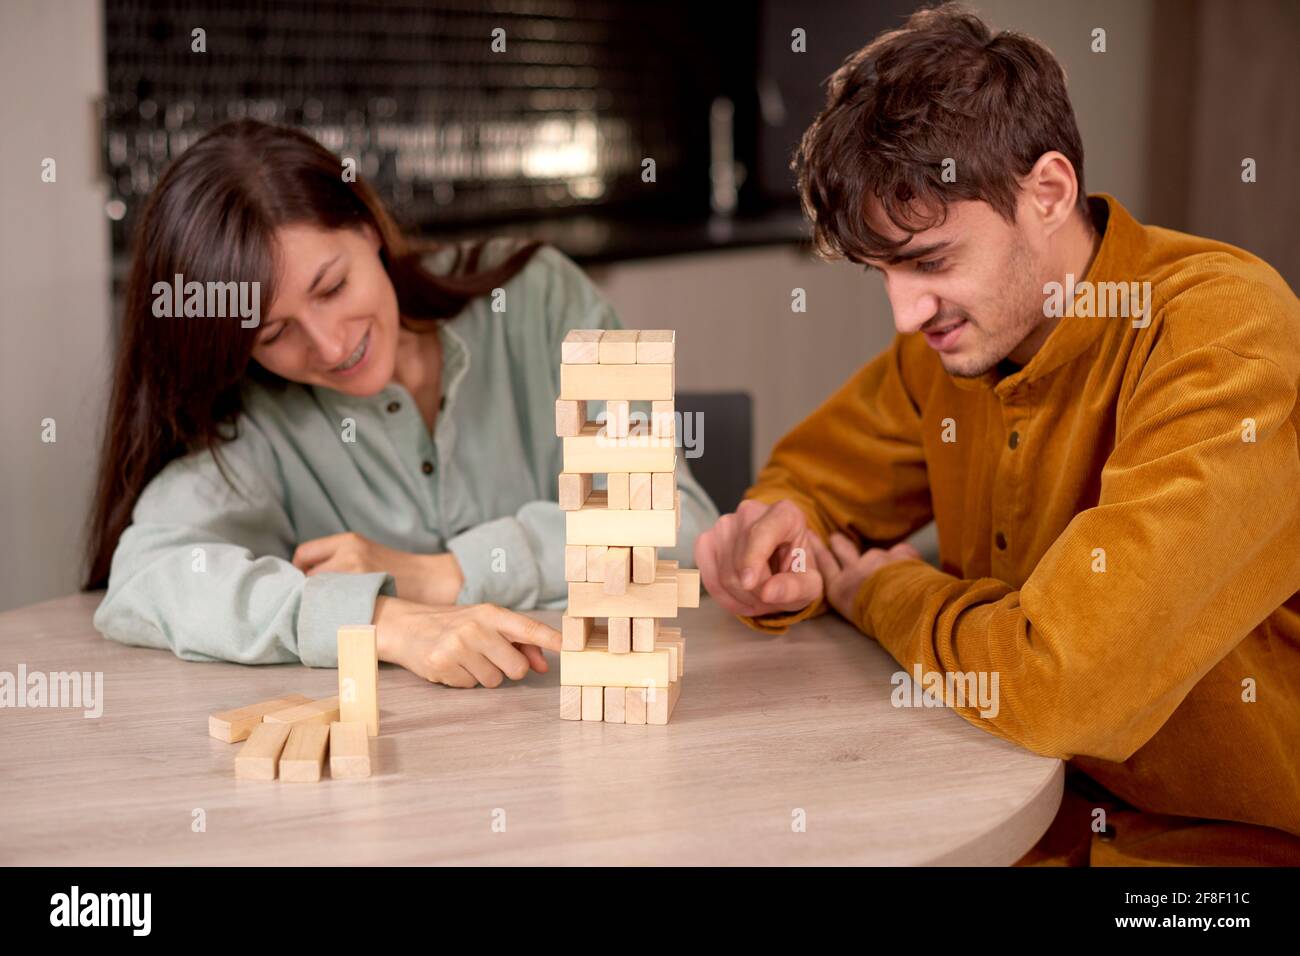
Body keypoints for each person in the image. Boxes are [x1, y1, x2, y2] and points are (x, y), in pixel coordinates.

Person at [695, 5, 1300, 865]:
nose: (904, 314)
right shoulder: (959, 344)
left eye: (932, 261)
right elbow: (813, 481)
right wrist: (772, 533)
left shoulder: (1222, 329)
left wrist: (882, 596)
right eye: (883, 272)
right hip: (1014, 804)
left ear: (1047, 193)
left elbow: (1062, 684)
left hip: (1220, 861)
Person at [86, 119, 718, 689]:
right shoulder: (252, 415)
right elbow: (146, 578)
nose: (331, 345)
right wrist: (382, 620)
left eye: (332, 286)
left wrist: (437, 574)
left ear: (368, 229)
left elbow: (677, 521)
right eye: (274, 334)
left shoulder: (536, 299)